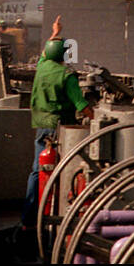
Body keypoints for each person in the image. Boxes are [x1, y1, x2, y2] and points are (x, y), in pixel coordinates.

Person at [22, 16, 92, 228]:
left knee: (38, 170)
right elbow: (81, 105)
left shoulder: (42, 66)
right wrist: (97, 119)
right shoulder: (66, 75)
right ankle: (55, 217)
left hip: (42, 125)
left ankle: (29, 217)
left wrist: (55, 32)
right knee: (63, 172)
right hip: (59, 129)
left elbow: (46, 53)